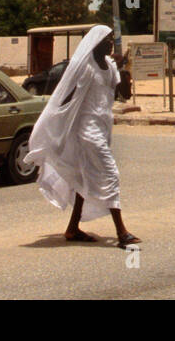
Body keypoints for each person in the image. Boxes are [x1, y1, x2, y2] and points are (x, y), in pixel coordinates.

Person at [26, 25, 140, 248]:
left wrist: (124, 70)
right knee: (111, 174)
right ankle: (122, 232)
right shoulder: (84, 68)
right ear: (94, 43)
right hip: (87, 130)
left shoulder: (109, 66)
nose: (109, 44)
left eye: (110, 40)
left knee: (83, 177)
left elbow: (124, 94)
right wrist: (58, 122)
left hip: (104, 127)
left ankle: (72, 228)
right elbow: (66, 98)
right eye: (106, 40)